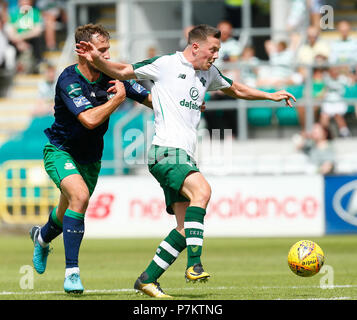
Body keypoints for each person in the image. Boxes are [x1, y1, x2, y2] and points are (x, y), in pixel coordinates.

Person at [76, 23, 296, 298]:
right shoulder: (166, 64)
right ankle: (194, 265)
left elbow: (235, 89)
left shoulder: (209, 73)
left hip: (182, 155)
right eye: (213, 50)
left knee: (183, 229)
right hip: (166, 151)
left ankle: (147, 279)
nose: (216, 55)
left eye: (218, 50)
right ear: (195, 47)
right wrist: (95, 59)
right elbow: (122, 71)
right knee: (202, 191)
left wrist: (270, 95)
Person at [29, 23, 153, 295]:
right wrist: (117, 101)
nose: (108, 56)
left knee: (64, 216)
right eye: (103, 50)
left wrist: (181, 103)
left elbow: (151, 99)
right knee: (80, 198)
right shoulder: (68, 80)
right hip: (60, 151)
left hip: (90, 160)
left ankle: (41, 237)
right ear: (85, 52)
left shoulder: (113, 76)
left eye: (109, 50)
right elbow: (88, 120)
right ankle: (72, 273)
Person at [5, 0, 44, 73]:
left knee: (38, 40)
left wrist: (21, 37)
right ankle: (12, 69)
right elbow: (9, 30)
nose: (24, 3)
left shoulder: (35, 13)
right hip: (16, 42)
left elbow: (37, 31)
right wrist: (19, 42)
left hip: (30, 39)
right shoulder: (13, 14)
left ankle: (38, 62)